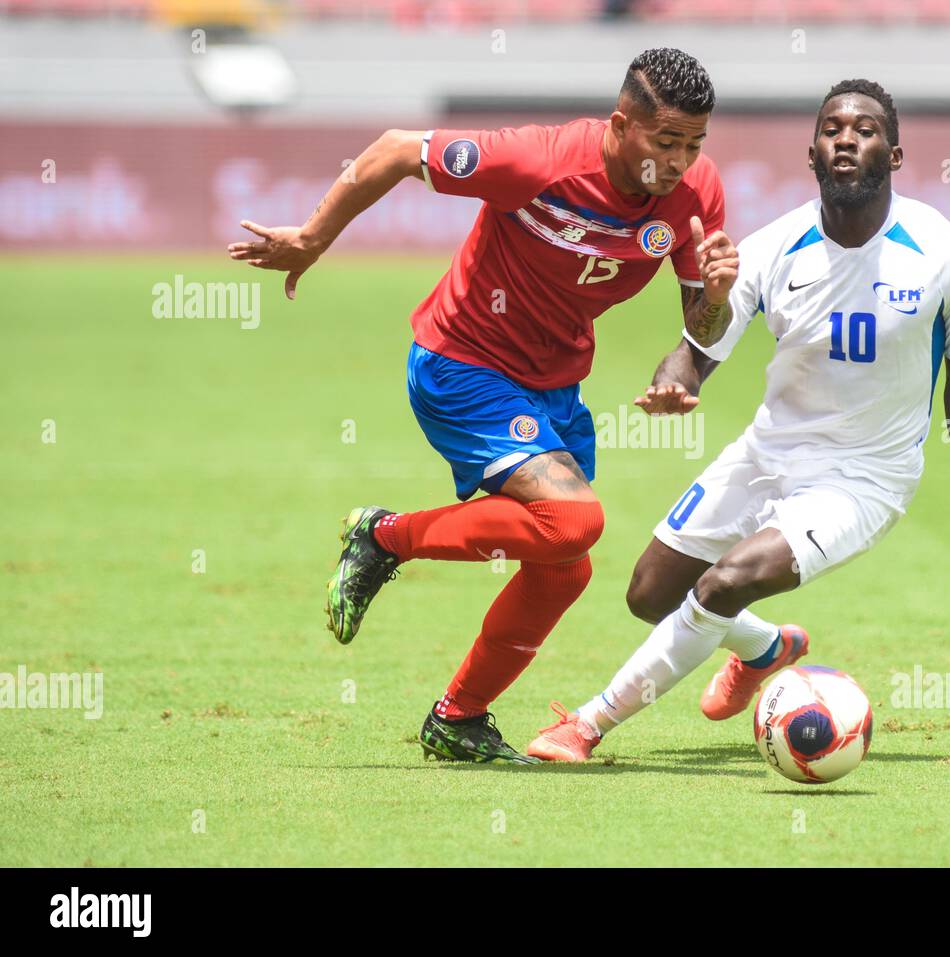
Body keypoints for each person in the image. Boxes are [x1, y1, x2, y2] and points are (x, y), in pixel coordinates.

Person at [227, 48, 738, 764]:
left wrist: (714, 298)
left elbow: (702, 325)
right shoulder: (540, 162)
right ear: (621, 124)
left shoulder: (695, 192)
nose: (680, 160)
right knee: (573, 520)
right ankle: (385, 536)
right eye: (665, 141)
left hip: (553, 386)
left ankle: (458, 717)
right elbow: (398, 150)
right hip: (462, 363)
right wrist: (313, 239)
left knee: (565, 565)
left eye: (694, 144)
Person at [527, 79, 950, 762]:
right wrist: (673, 383)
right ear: (812, 153)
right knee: (649, 592)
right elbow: (697, 350)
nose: (846, 139)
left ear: (894, 155)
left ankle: (587, 723)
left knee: (725, 582)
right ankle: (766, 647)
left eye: (865, 129)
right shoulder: (771, 248)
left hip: (866, 477)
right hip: (768, 452)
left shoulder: (947, 254)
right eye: (832, 128)